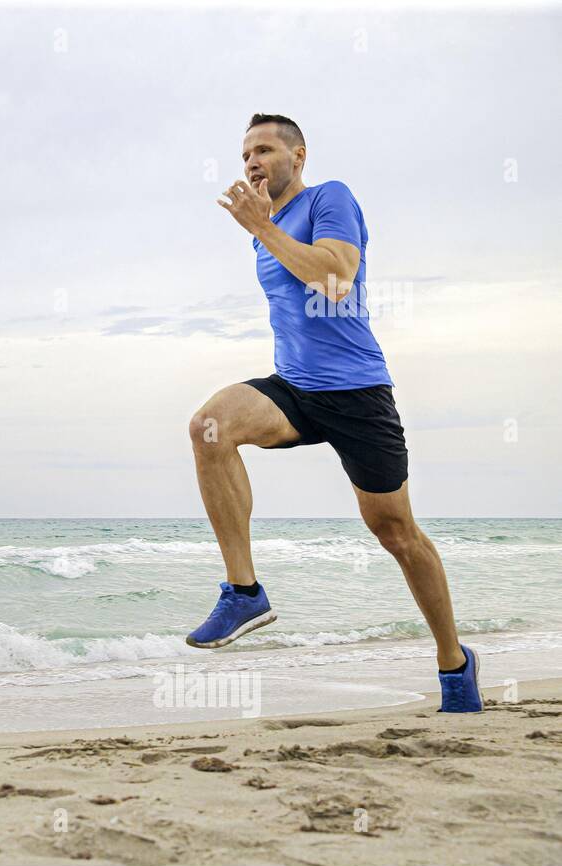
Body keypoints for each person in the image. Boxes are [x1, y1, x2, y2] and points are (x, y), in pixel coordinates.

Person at [188, 113, 481, 714]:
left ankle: (454, 659)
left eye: (265, 149)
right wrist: (263, 229)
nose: (251, 161)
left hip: (356, 393)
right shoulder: (263, 230)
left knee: (395, 533)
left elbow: (335, 278)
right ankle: (243, 591)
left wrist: (263, 229)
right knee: (208, 426)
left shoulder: (330, 198)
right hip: (294, 389)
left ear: (298, 156)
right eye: (245, 153)